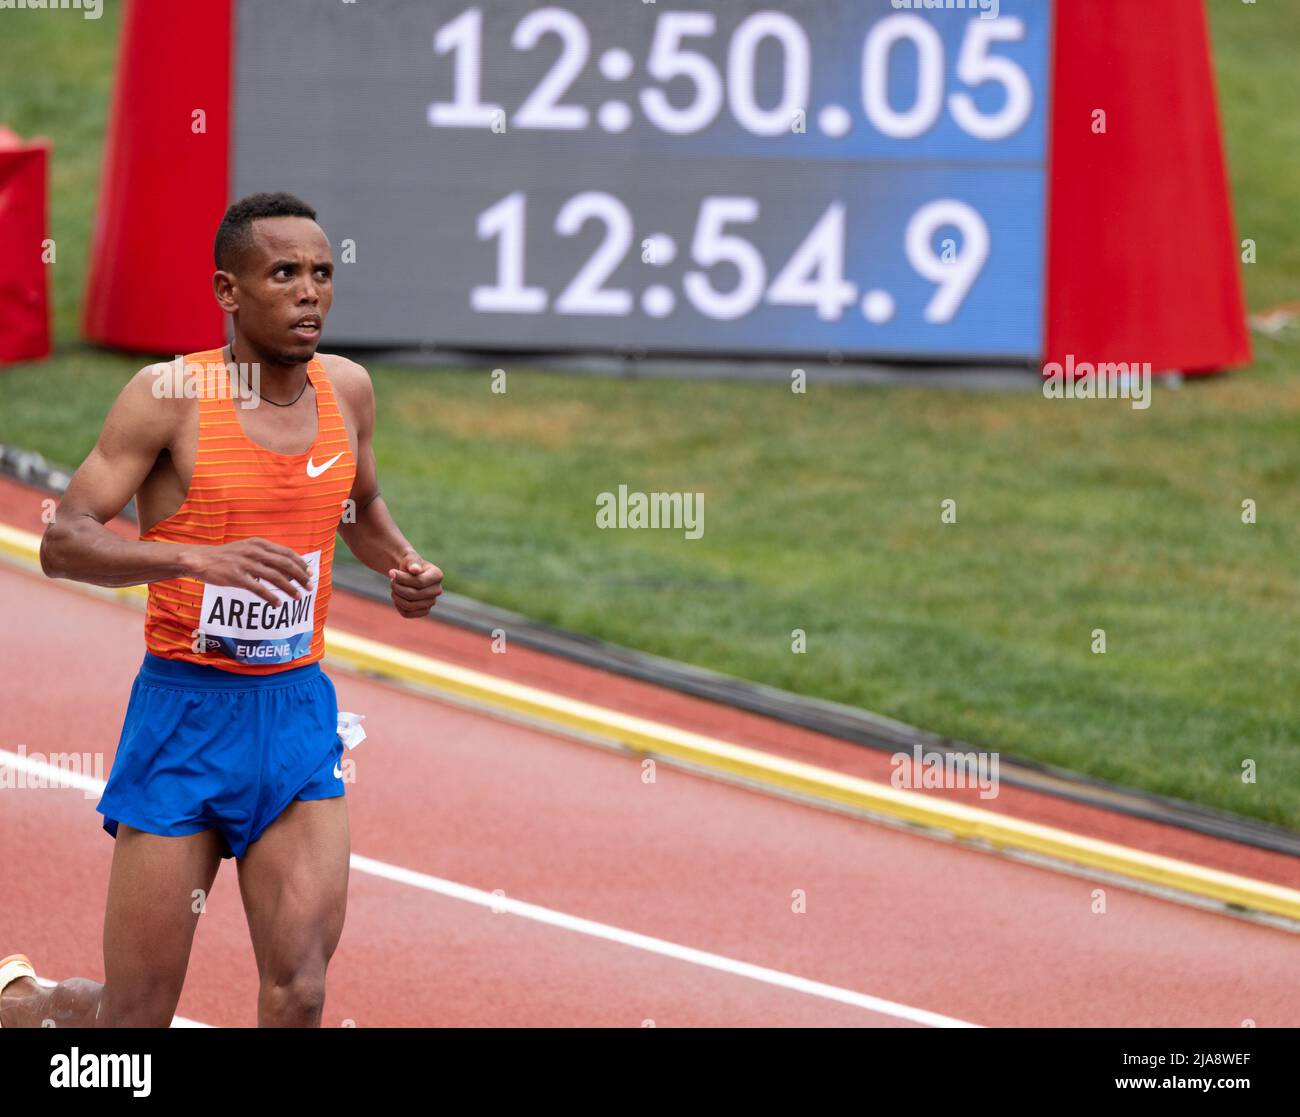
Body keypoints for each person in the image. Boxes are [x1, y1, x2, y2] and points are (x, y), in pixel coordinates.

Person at [0, 192, 443, 1028]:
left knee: (300, 989)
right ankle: (23, 1004)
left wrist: (405, 563)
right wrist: (194, 555)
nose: (309, 291)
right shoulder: (167, 396)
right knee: (131, 1019)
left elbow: (364, 507)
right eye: (284, 273)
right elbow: (64, 541)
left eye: (322, 273)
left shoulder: (347, 390)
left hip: (296, 715)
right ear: (228, 290)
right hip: (184, 716)